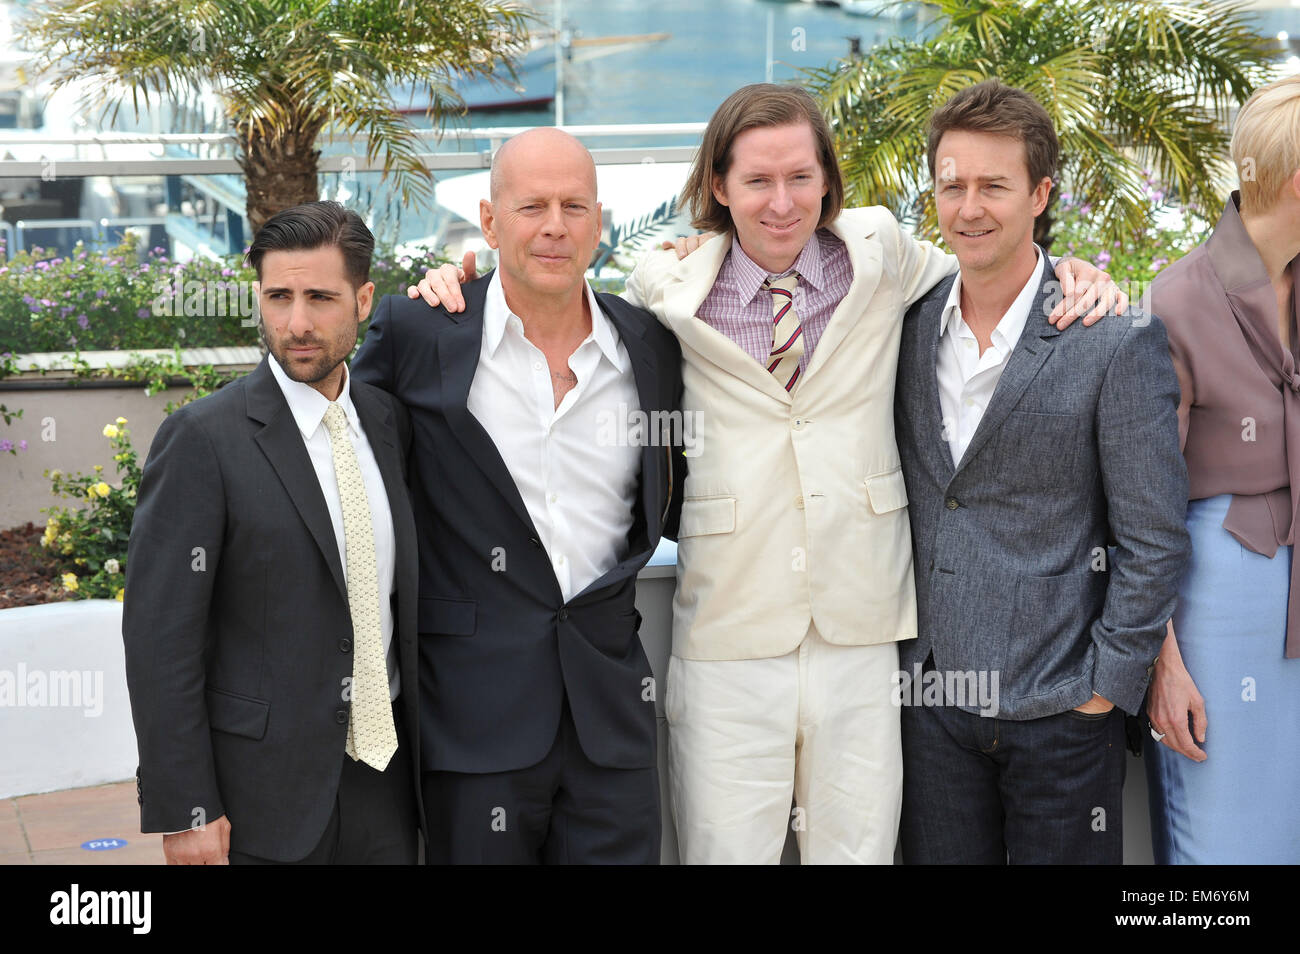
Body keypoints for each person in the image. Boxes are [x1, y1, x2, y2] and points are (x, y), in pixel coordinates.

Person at [410, 85, 1123, 864]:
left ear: (827, 180)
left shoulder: (881, 251)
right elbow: (555, 296)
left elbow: (991, 267)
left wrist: (1078, 275)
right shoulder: (665, 286)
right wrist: (458, 285)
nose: (781, 203)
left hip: (863, 631)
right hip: (727, 633)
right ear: (719, 186)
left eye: (800, 178)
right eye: (756, 181)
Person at [349, 127, 684, 864]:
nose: (555, 227)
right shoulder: (422, 332)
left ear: (600, 220)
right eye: (532, 206)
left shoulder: (651, 345)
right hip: (472, 719)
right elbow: (330, 450)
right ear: (491, 221)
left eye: (574, 206)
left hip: (611, 719)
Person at [893, 79, 1190, 864]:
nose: (970, 206)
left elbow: (1152, 535)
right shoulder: (906, 326)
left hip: (1063, 708)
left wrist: (1103, 692)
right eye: (952, 186)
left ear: (1041, 194)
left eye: (994, 185)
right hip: (931, 705)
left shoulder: (1113, 339)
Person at [123, 201, 422, 864]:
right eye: (278, 297)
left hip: (389, 785)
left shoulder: (388, 423)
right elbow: (160, 640)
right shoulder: (202, 439)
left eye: (320, 297)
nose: (297, 324)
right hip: (260, 798)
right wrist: (187, 805)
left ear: (363, 299)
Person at [1143, 74, 1300, 864]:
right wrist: (1161, 662)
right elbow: (1144, 503)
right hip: (1224, 583)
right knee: (1232, 839)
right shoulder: (1178, 299)